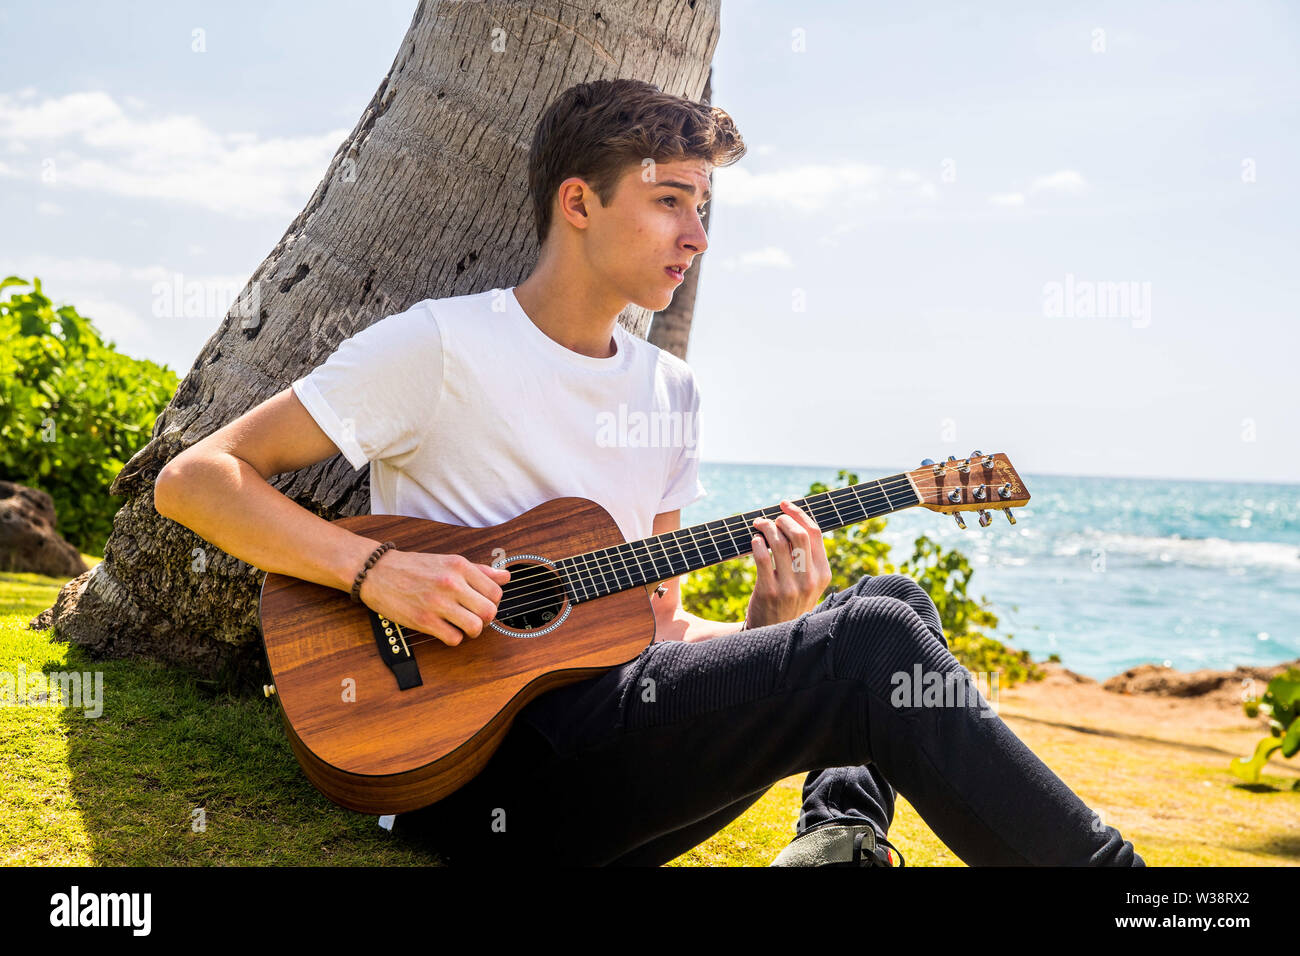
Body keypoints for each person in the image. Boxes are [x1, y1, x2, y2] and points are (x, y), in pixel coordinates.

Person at [154, 78, 1144, 867]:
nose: (698, 236)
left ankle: (840, 838)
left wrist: (770, 627)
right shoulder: (442, 347)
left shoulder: (670, 394)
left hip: (615, 758)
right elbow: (196, 478)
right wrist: (375, 571)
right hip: (470, 779)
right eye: (670, 201)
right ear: (579, 202)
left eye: (704, 207)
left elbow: (656, 626)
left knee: (887, 596)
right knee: (873, 637)